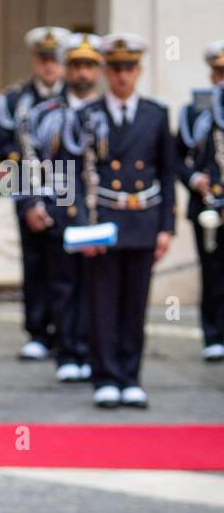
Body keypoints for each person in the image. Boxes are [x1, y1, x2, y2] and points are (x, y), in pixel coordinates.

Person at [70, 34, 176, 408]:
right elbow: (76, 177)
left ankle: (131, 375)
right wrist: (83, 226)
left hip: (144, 219)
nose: (122, 76)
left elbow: (166, 173)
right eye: (115, 68)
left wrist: (167, 227)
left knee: (135, 303)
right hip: (105, 219)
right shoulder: (87, 114)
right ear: (105, 72)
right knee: (102, 303)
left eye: (129, 68)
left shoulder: (156, 113)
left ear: (139, 71)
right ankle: (106, 376)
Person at [18, 31, 104, 383]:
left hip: (102, 211)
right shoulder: (40, 113)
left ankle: (96, 352)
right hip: (60, 208)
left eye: (89, 66)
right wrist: (28, 202)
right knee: (63, 284)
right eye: (76, 65)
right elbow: (20, 161)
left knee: (99, 287)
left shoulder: (105, 111)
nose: (82, 73)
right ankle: (67, 350)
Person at [0, 26, 71, 362]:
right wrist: (26, 201)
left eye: (55, 59)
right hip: (28, 195)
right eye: (44, 59)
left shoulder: (76, 98)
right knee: (35, 265)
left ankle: (69, 335)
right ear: (34, 60)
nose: (50, 66)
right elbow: (5, 154)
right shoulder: (14, 99)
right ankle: (38, 332)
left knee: (68, 270)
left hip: (69, 197)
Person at [176, 40, 224, 362]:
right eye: (219, 72)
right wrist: (194, 178)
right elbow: (176, 158)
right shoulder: (196, 110)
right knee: (213, 271)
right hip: (209, 205)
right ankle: (214, 335)